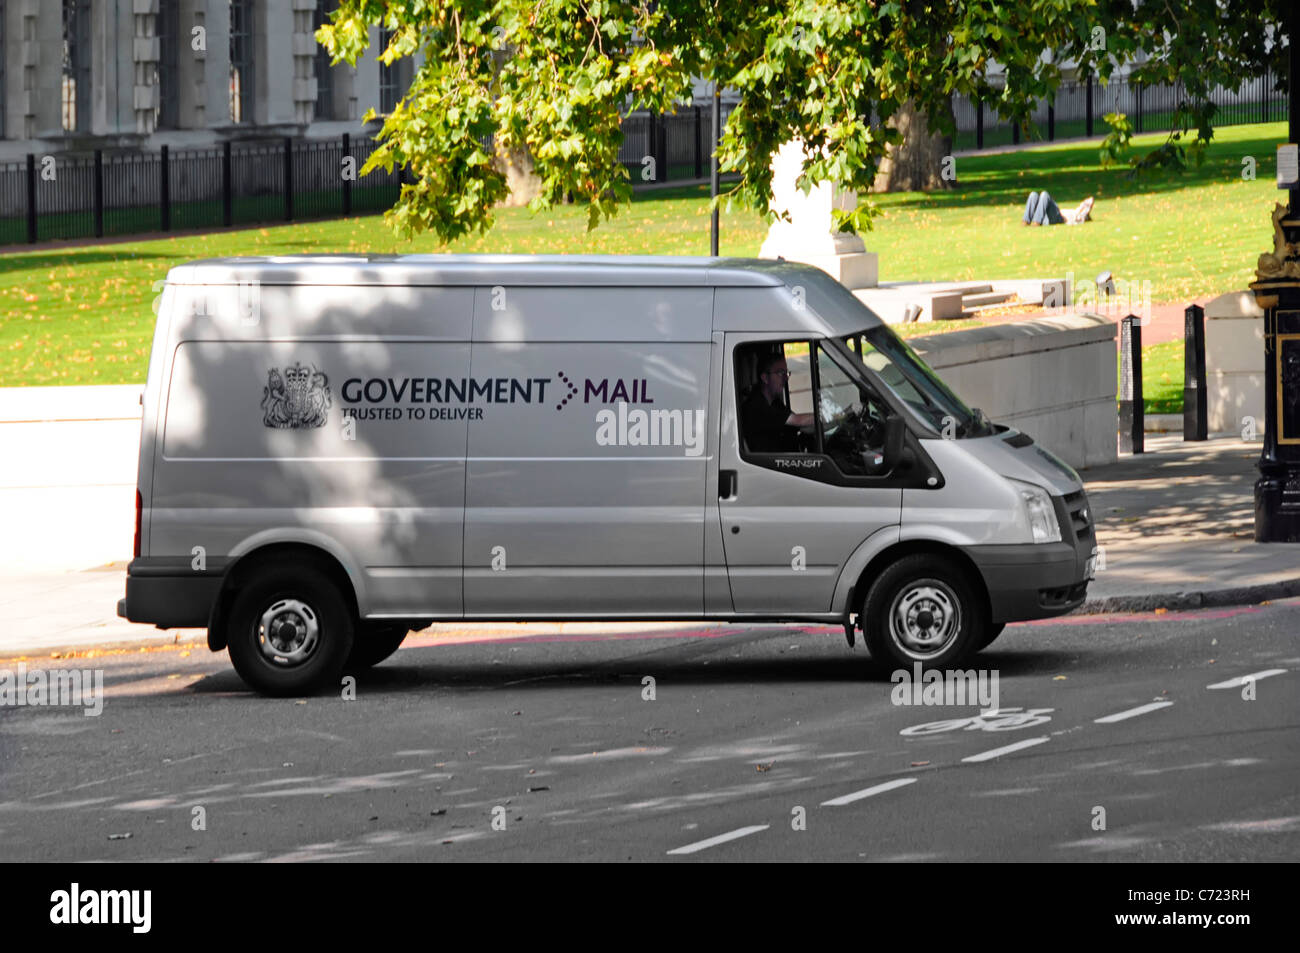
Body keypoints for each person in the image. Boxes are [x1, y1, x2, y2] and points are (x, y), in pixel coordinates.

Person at [741, 354, 815, 452]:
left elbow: (799, 425)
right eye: (780, 373)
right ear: (765, 378)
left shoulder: (775, 403)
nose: (786, 378)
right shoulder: (756, 405)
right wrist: (828, 416)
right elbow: (798, 421)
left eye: (786, 373)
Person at [1022, 191, 1094, 226]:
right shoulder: (1076, 211)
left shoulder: (1078, 216)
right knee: (1033, 194)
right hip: (1045, 217)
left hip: (1057, 218)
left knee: (1045, 195)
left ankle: (1036, 222)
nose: (1082, 205)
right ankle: (1026, 221)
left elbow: (1090, 201)